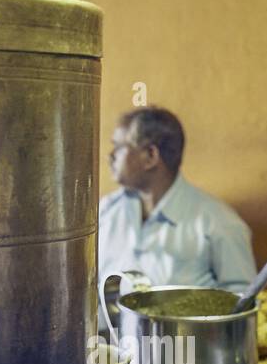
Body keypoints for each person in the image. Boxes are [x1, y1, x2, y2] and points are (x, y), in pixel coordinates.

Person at [98, 107, 256, 295]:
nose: (110, 156)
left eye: (119, 147)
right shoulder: (105, 211)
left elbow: (243, 299)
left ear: (150, 156)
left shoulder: (218, 223)